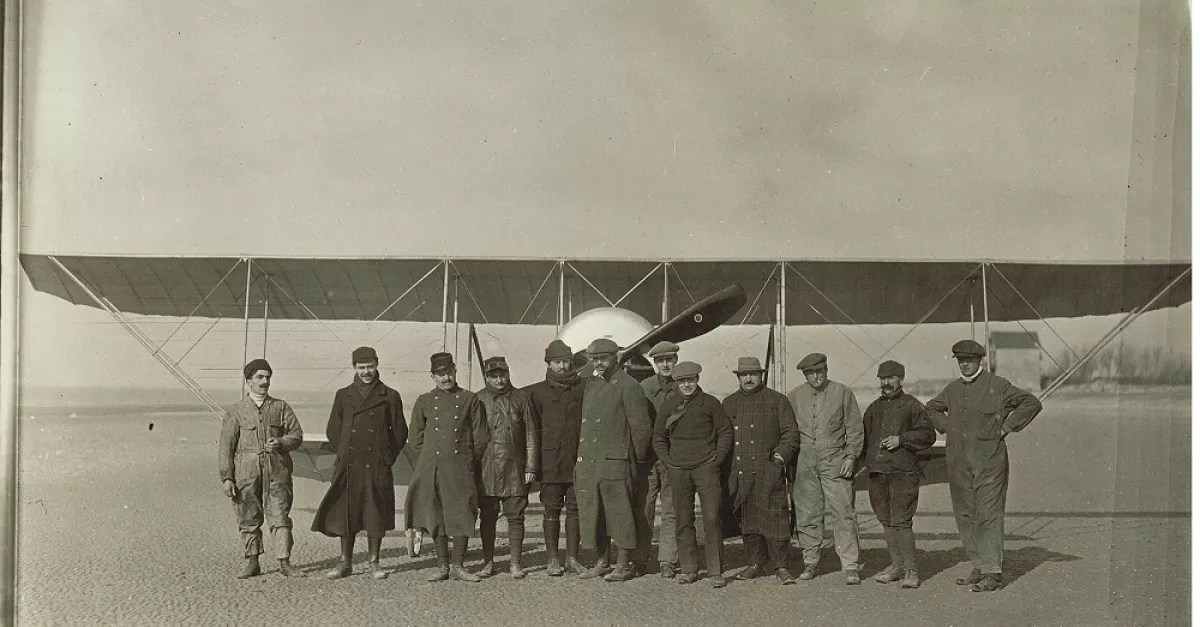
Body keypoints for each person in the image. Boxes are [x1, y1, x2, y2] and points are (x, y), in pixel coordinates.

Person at [925, 340, 1042, 592]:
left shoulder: (998, 386)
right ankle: (978, 564)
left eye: (970, 359)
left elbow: (1031, 403)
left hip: (989, 461)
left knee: (988, 514)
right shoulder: (953, 389)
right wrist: (946, 426)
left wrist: (1007, 427)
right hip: (958, 462)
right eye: (960, 360)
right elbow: (932, 407)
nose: (965, 364)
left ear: (980, 361)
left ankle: (992, 572)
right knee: (965, 514)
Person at [312, 346, 409, 580]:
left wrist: (386, 457)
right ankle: (345, 563)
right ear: (354, 367)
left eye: (370, 367)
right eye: (361, 367)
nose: (366, 372)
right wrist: (345, 452)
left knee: (374, 512)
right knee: (347, 513)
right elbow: (333, 430)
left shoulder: (390, 395)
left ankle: (374, 563)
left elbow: (400, 432)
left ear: (377, 365)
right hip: (350, 465)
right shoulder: (343, 394)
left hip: (376, 465)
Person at [403, 352, 488, 582]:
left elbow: (480, 436)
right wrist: (431, 457)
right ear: (432, 376)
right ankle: (443, 567)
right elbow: (415, 438)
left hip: (460, 467)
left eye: (449, 373)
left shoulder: (470, 399)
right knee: (435, 514)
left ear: (455, 372)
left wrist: (466, 460)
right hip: (431, 468)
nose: (446, 378)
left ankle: (459, 566)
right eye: (440, 375)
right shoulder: (425, 401)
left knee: (462, 512)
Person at [575, 338, 652, 582]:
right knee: (596, 514)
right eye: (594, 358)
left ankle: (624, 564)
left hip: (616, 463)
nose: (598, 363)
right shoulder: (592, 385)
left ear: (615, 358)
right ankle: (602, 561)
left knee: (620, 515)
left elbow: (641, 429)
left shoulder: (629, 386)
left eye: (603, 358)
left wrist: (634, 460)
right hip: (591, 462)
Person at [218, 359, 305, 579]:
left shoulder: (280, 407)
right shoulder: (236, 411)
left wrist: (281, 443)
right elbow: (226, 447)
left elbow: (296, 435)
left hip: (277, 473)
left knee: (280, 516)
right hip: (245, 474)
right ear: (248, 381)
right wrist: (227, 478)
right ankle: (252, 562)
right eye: (259, 377)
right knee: (248, 517)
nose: (265, 382)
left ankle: (285, 563)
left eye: (267, 377)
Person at [652, 361, 734, 588]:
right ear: (676, 383)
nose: (686, 385)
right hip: (678, 470)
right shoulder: (669, 406)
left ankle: (716, 571)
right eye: (681, 381)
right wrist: (668, 460)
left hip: (706, 468)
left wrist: (717, 458)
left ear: (697, 380)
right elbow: (658, 436)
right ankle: (689, 569)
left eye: (690, 380)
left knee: (711, 518)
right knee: (683, 519)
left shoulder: (710, 403)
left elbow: (725, 432)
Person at [721, 357, 800, 585]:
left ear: (761, 375)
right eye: (744, 375)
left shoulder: (777, 401)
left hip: (769, 471)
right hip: (741, 472)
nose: (748, 378)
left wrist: (779, 457)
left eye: (753, 374)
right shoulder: (729, 403)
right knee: (749, 518)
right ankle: (755, 563)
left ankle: (782, 566)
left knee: (775, 518)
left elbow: (790, 434)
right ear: (738, 377)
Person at [788, 352, 864, 584]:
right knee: (808, 513)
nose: (815, 377)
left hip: (835, 461)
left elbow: (854, 429)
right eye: (810, 373)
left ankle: (850, 564)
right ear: (804, 375)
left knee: (843, 512)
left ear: (826, 370)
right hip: (804, 462)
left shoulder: (843, 393)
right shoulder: (794, 396)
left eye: (818, 371)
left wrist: (851, 457)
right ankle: (810, 561)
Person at [862, 360, 935, 589]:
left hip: (903, 473)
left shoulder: (912, 405)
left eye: (891, 378)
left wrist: (901, 440)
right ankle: (897, 566)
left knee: (902, 521)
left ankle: (911, 570)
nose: (886, 383)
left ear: (901, 380)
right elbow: (863, 440)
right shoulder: (873, 408)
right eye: (882, 378)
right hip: (877, 473)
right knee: (885, 520)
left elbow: (928, 435)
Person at [525, 339, 587, 576]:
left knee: (575, 510)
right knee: (551, 510)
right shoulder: (537, 393)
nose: (562, 366)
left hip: (576, 462)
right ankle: (553, 559)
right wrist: (534, 465)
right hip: (550, 462)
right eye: (557, 362)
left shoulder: (582, 388)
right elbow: (532, 431)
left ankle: (572, 558)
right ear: (548, 364)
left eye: (565, 361)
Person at [474, 356, 537, 579]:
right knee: (488, 517)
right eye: (494, 376)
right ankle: (488, 562)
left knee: (516, 516)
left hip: (515, 469)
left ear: (509, 373)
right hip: (487, 469)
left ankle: (515, 563)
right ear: (486, 377)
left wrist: (530, 466)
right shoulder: (478, 399)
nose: (499, 379)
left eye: (503, 374)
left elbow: (531, 433)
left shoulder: (522, 398)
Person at [639, 340, 681, 577]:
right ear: (655, 363)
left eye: (669, 360)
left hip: (674, 458)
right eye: (660, 361)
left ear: (676, 360)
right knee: (645, 506)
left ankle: (668, 559)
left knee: (671, 508)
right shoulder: (644, 387)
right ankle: (640, 557)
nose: (666, 364)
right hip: (648, 458)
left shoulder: (685, 385)